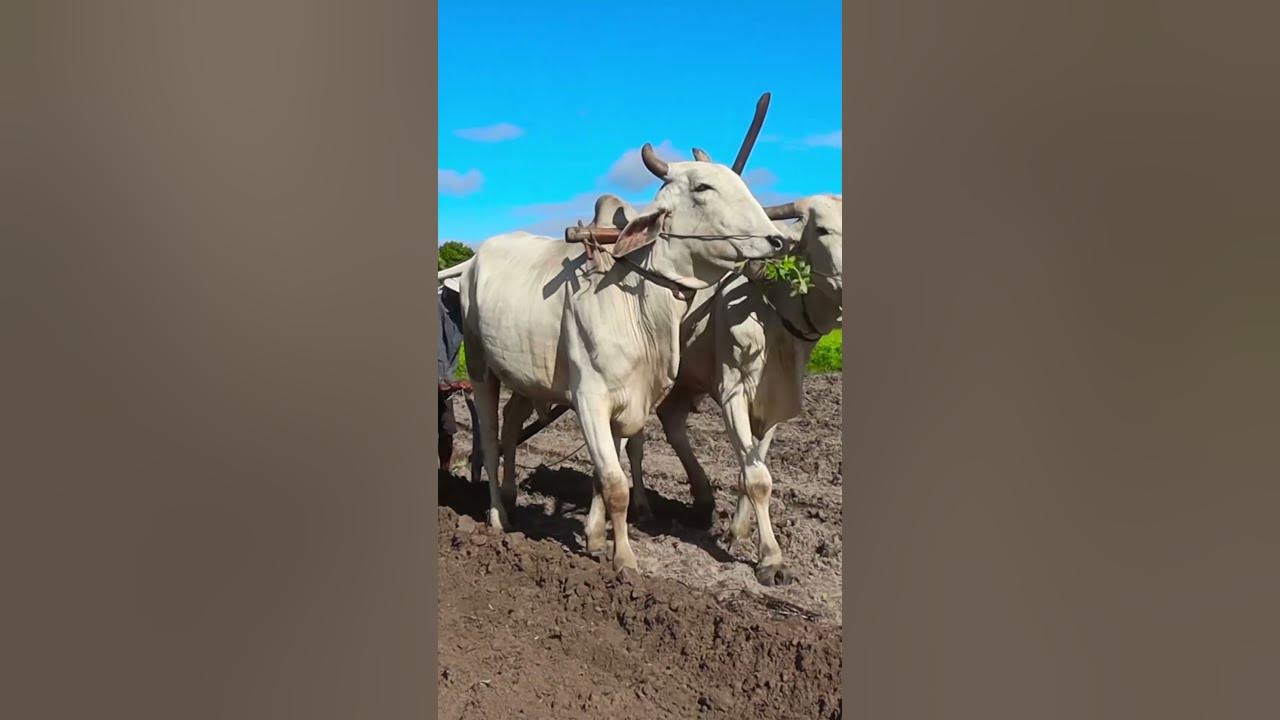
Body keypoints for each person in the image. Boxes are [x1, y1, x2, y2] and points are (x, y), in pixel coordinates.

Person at [437, 280, 467, 470]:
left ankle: (444, 474)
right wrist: (450, 382)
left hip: (444, 378)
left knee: (447, 429)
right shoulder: (434, 308)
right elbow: (437, 351)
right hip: (438, 377)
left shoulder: (461, 312)